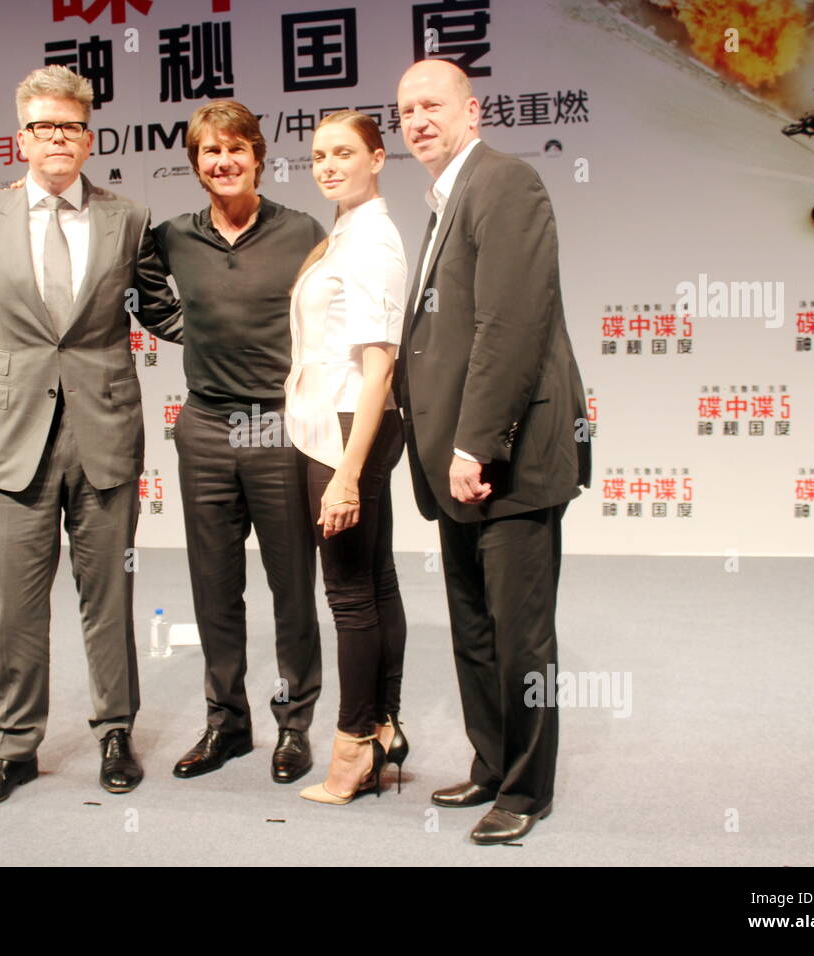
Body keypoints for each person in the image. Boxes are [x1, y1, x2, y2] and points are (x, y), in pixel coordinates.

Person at [0, 65, 182, 810]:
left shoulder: (128, 217)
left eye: (70, 126)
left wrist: (256, 318)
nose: (57, 138)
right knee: (15, 603)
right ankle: (13, 748)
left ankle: (115, 731)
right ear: (22, 137)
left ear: (88, 136)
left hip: (104, 434)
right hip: (10, 441)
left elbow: (162, 313)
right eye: (44, 126)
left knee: (109, 597)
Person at [395, 59, 591, 844]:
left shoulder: (505, 183)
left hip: (508, 455)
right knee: (473, 624)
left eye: (432, 104)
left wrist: (477, 442)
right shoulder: (445, 200)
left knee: (520, 632)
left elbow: (510, 327)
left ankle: (526, 788)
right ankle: (489, 761)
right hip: (457, 458)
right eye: (405, 109)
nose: (417, 120)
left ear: (471, 111)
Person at [153, 102, 328, 784]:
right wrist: (193, 330)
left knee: (291, 584)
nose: (221, 162)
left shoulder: (302, 231)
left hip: (277, 425)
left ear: (258, 154)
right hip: (204, 425)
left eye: (234, 149)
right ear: (195, 164)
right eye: (207, 152)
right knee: (214, 588)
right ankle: (226, 723)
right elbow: (141, 293)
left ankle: (293, 726)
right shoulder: (172, 237)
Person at [283, 111, 410, 805]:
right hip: (333, 420)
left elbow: (379, 366)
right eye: (319, 155)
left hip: (344, 428)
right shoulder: (347, 234)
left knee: (350, 595)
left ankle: (353, 745)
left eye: (343, 153)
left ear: (378, 158)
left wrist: (348, 474)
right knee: (375, 581)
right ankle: (382, 727)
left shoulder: (372, 242)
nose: (328, 165)